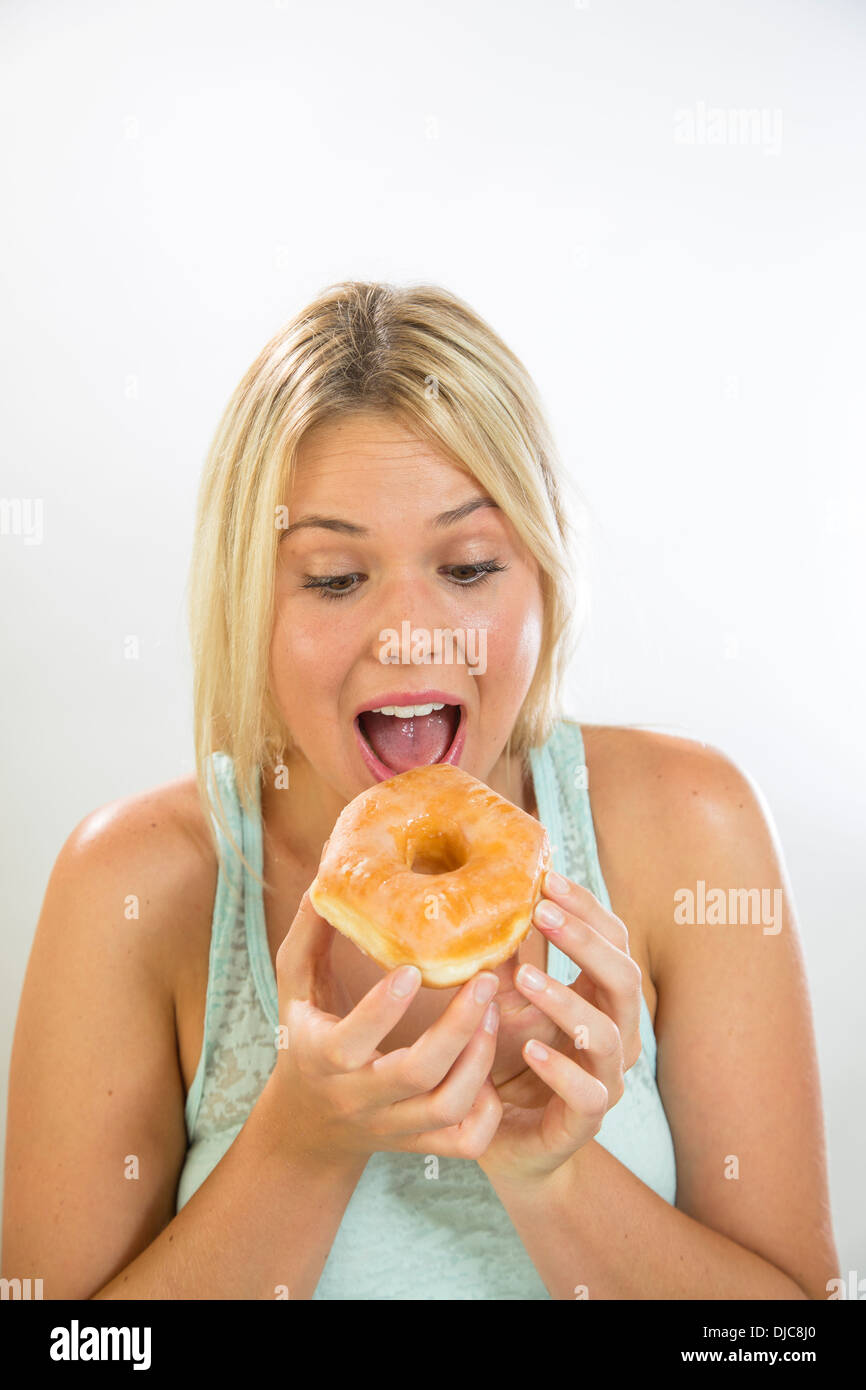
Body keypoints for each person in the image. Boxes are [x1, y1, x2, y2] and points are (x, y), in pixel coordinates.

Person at [2, 282, 839, 1300]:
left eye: (470, 564)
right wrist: (300, 1143)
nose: (412, 634)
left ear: (541, 574)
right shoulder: (133, 884)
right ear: (247, 597)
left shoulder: (689, 828)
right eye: (334, 578)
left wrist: (548, 1171)